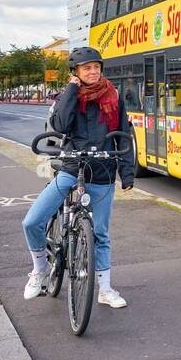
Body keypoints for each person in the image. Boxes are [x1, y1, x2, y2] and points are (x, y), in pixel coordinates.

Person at [20, 47, 135, 308]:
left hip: (103, 171)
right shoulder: (68, 95)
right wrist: (72, 91)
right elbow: (60, 125)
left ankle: (105, 289)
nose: (93, 72)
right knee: (32, 221)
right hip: (72, 168)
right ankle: (39, 270)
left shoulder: (114, 96)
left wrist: (126, 173)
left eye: (96, 67)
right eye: (87, 68)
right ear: (76, 72)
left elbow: (124, 134)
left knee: (101, 233)